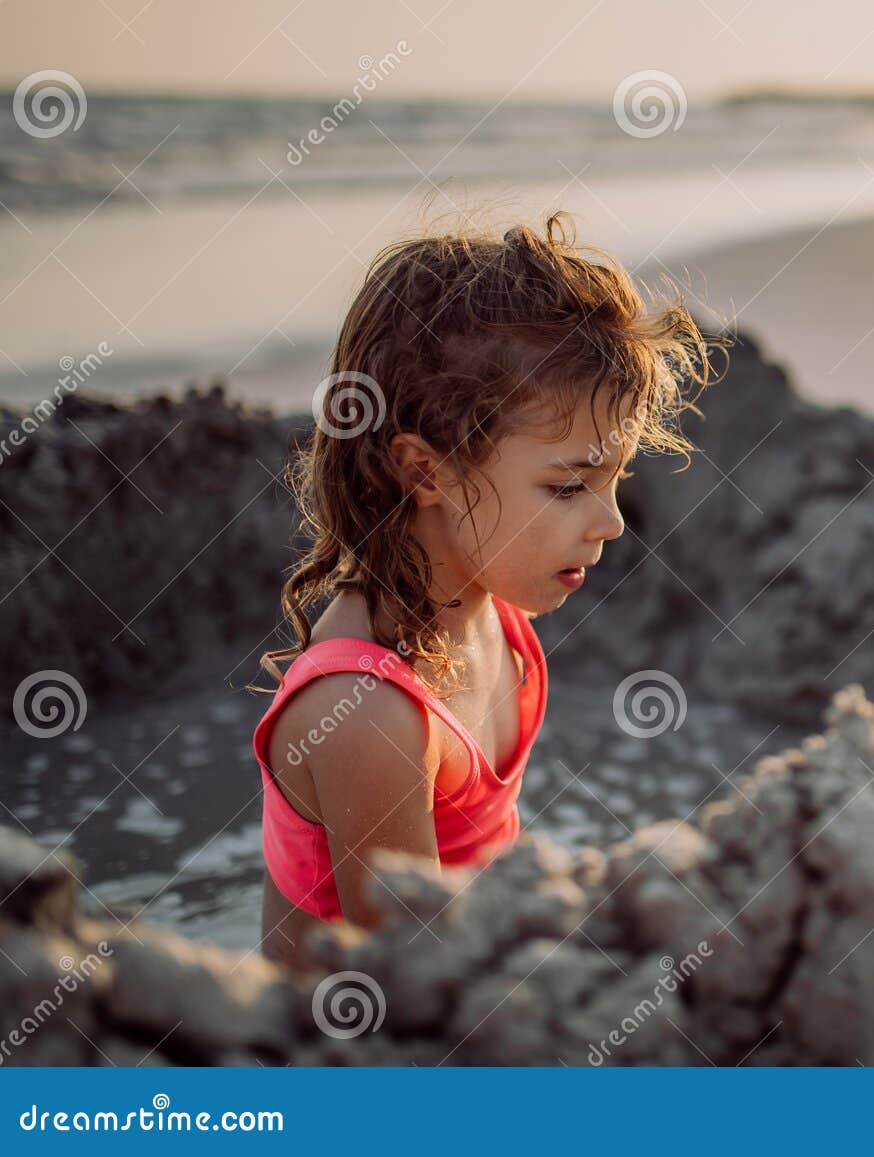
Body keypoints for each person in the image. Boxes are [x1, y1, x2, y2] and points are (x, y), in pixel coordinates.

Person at [250, 212, 715, 967]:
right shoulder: (364, 714)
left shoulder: (491, 615)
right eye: (568, 487)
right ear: (425, 471)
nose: (612, 521)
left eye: (616, 479)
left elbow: (494, 856)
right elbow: (415, 985)